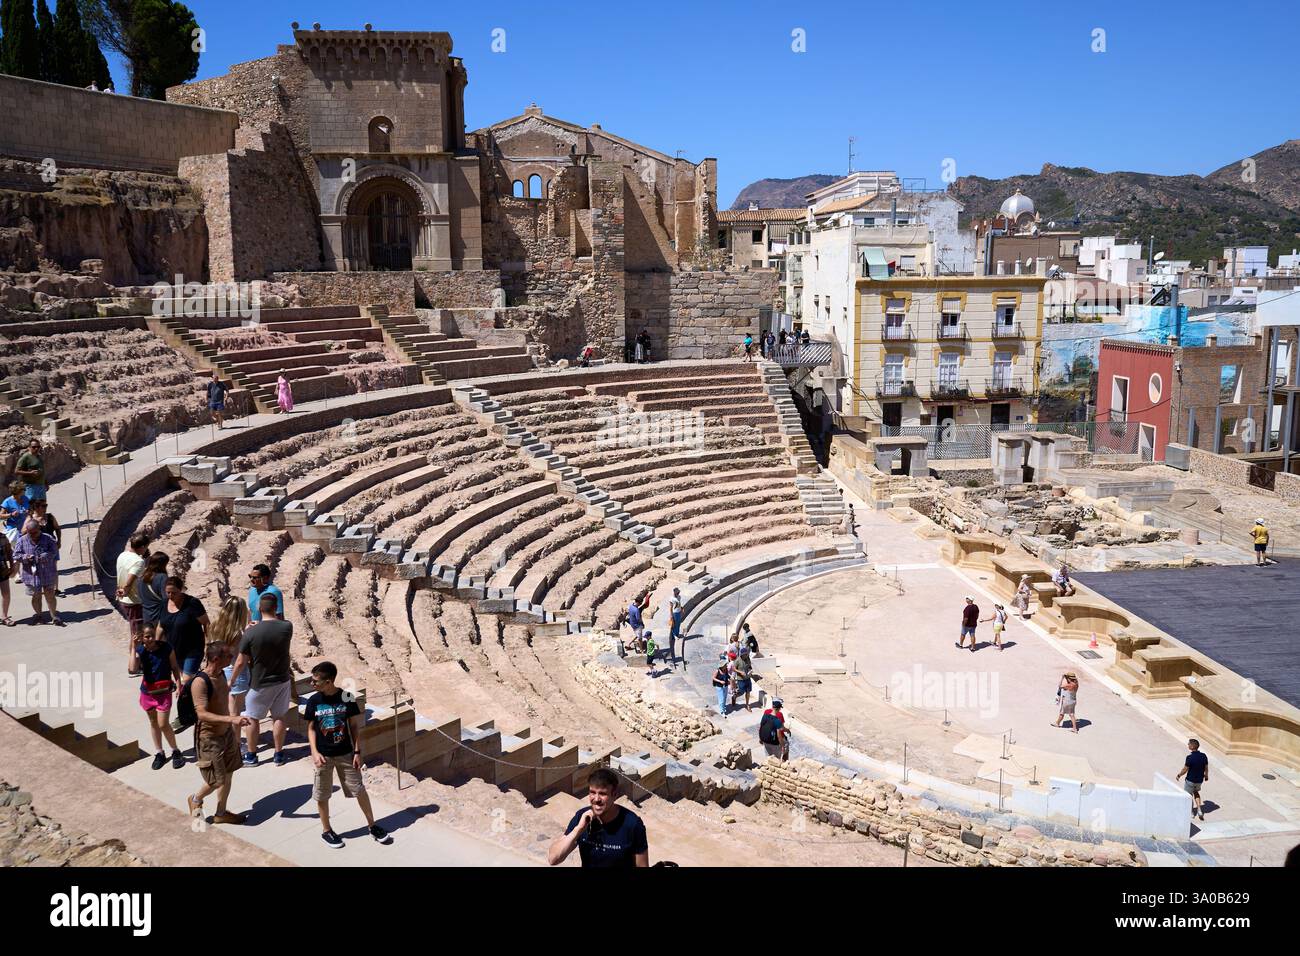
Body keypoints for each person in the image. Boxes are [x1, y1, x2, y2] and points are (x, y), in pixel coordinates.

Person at [304, 661, 392, 848]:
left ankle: (372, 825)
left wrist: (357, 751)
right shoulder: (314, 701)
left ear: (328, 682)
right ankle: (327, 831)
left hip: (345, 753)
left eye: (315, 681)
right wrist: (314, 751)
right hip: (323, 755)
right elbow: (311, 728)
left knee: (359, 789)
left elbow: (353, 726)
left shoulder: (346, 698)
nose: (312, 684)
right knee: (322, 793)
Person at [186, 641, 249, 825]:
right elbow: (202, 714)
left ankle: (221, 813)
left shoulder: (221, 673)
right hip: (209, 738)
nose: (232, 658)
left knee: (228, 773)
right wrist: (232, 719)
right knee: (216, 780)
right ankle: (196, 799)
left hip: (226, 734)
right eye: (228, 656)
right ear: (216, 659)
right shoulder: (200, 682)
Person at [231, 593, 294, 767]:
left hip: (260, 682)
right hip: (282, 679)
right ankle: (279, 754)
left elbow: (241, 661)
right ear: (276, 608)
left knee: (252, 718)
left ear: (259, 609)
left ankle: (251, 756)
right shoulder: (287, 627)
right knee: (279, 716)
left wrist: (232, 680)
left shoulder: (251, 633)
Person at [548, 766, 648, 867]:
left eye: (602, 793)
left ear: (615, 795)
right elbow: (553, 859)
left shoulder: (632, 824)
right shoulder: (582, 817)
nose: (596, 799)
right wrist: (578, 829)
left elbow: (642, 865)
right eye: (592, 792)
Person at [132, 623, 184, 770]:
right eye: (147, 636)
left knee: (163, 723)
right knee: (153, 723)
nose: (151, 639)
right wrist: (133, 647)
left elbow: (174, 667)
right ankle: (159, 752)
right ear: (142, 637)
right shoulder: (141, 650)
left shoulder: (166, 648)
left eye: (152, 635)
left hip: (164, 692)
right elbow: (132, 669)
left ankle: (175, 750)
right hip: (147, 693)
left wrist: (179, 684)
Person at [209, 596, 251, 733]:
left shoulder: (215, 626)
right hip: (236, 674)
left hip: (220, 671)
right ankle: (236, 745)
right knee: (235, 714)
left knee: (224, 710)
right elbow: (240, 660)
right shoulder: (239, 634)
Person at [160, 576, 208, 682]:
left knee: (187, 679)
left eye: (174, 593)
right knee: (180, 678)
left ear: (181, 589)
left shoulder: (192, 603)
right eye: (168, 592)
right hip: (174, 649)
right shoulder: (164, 603)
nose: (170, 596)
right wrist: (156, 644)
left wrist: (208, 644)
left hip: (193, 649)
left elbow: (206, 623)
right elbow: (160, 626)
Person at [14, 519, 60, 625]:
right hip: (31, 575)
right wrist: (26, 557)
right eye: (30, 533)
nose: (32, 535)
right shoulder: (22, 540)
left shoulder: (48, 538)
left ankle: (54, 616)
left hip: (47, 571)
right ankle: (39, 615)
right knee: (36, 595)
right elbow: (16, 555)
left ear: (39, 529)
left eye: (34, 533)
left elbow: (54, 551)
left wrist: (46, 555)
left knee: (50, 593)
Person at [116, 534, 149, 674]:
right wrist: (125, 589)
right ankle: (134, 666)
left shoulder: (122, 555)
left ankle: (135, 662)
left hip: (125, 601)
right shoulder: (138, 561)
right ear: (141, 547)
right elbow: (131, 577)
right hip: (134, 601)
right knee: (137, 635)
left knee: (134, 633)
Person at [1176, 738, 1210, 822]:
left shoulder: (1189, 757)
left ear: (1192, 746)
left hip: (1190, 780)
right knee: (1196, 793)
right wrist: (1206, 776)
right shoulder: (1204, 756)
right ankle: (1199, 810)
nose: (1188, 745)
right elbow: (1206, 768)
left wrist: (1179, 775)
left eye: (1188, 744)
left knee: (1188, 796)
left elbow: (1185, 769)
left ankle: (1191, 812)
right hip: (1199, 780)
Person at [137, 551, 169, 631]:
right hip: (158, 617)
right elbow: (166, 599)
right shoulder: (162, 577)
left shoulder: (141, 577)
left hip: (146, 616)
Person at [1, 480, 30, 545]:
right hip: (13, 530)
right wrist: (11, 514)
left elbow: (31, 510)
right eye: (23, 489)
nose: (25, 490)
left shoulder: (25, 498)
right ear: (18, 491)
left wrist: (29, 511)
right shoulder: (7, 501)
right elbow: (1, 515)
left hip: (25, 527)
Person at [0, 533, 15, 626]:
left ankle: (4, 616)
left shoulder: (2, 537)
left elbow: (9, 552)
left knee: (6, 594)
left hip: (2, 569)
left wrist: (12, 565)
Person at [733, 645, 755, 711]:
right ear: (741, 654)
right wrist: (740, 672)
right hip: (741, 679)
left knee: (748, 692)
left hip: (747, 678)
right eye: (744, 655)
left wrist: (750, 670)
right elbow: (734, 668)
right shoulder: (737, 660)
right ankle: (734, 697)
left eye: (746, 654)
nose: (746, 656)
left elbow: (749, 666)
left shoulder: (748, 658)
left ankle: (747, 705)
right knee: (741, 692)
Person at [666, 587, 683, 668]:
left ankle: (677, 634)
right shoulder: (671, 598)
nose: (678, 594)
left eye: (678, 592)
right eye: (677, 593)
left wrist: (682, 608)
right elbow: (670, 607)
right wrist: (671, 615)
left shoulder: (679, 597)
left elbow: (679, 603)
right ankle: (674, 635)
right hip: (675, 613)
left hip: (679, 611)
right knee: (674, 624)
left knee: (678, 624)